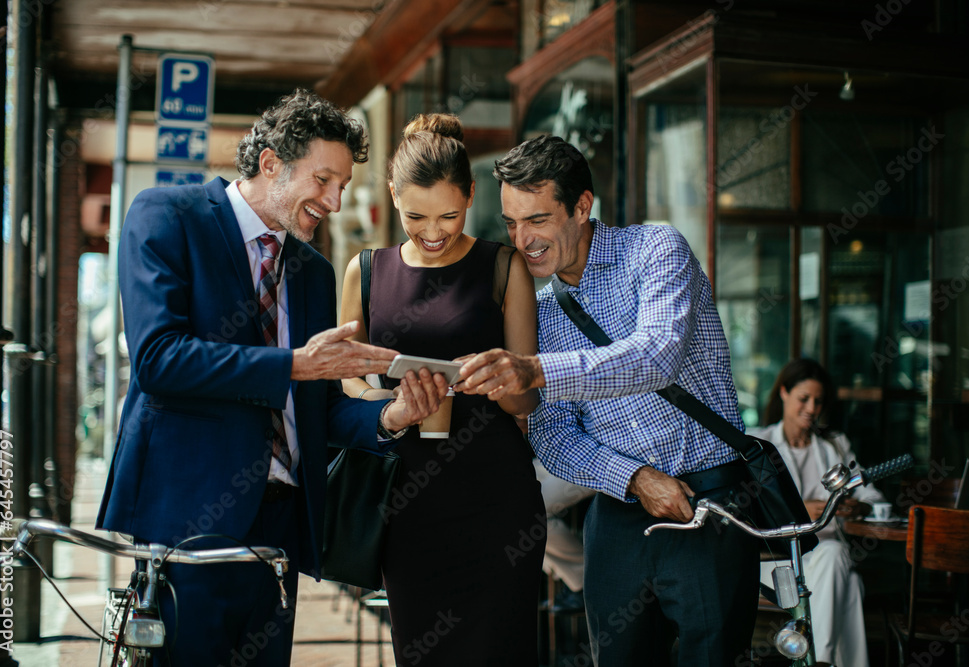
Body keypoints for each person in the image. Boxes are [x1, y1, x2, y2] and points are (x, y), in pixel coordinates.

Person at [96, 90, 447, 667]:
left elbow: (321, 409)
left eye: (343, 184)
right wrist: (296, 365)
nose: (335, 201)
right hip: (189, 518)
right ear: (270, 163)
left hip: (281, 527)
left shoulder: (314, 271)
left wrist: (392, 416)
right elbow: (159, 359)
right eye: (325, 180)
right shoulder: (167, 215)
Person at [457, 135, 758, 665]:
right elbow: (551, 434)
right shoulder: (539, 308)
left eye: (538, 219)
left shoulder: (656, 249)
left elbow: (654, 357)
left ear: (581, 206)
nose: (523, 240)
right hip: (618, 516)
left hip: (711, 508)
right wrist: (635, 479)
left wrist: (534, 369)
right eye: (511, 223)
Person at [339, 113, 545, 666]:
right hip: (408, 504)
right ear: (391, 196)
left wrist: (494, 378)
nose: (433, 232)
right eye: (415, 217)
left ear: (473, 195)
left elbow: (528, 401)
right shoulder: (365, 271)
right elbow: (347, 382)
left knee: (501, 652)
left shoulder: (504, 267)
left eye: (450, 215)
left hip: (497, 500)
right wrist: (395, 405)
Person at [748, 358, 884, 667]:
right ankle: (821, 661)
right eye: (803, 398)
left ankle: (814, 661)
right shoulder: (760, 443)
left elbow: (872, 498)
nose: (811, 408)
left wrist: (857, 506)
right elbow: (746, 508)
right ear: (783, 393)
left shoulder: (834, 446)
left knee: (837, 562)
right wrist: (797, 513)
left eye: (818, 401)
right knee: (844, 574)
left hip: (827, 560)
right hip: (777, 565)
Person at [534, 458, 594, 610]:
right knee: (504, 498)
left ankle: (586, 580)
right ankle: (573, 577)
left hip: (594, 458)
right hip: (561, 453)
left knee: (526, 510)